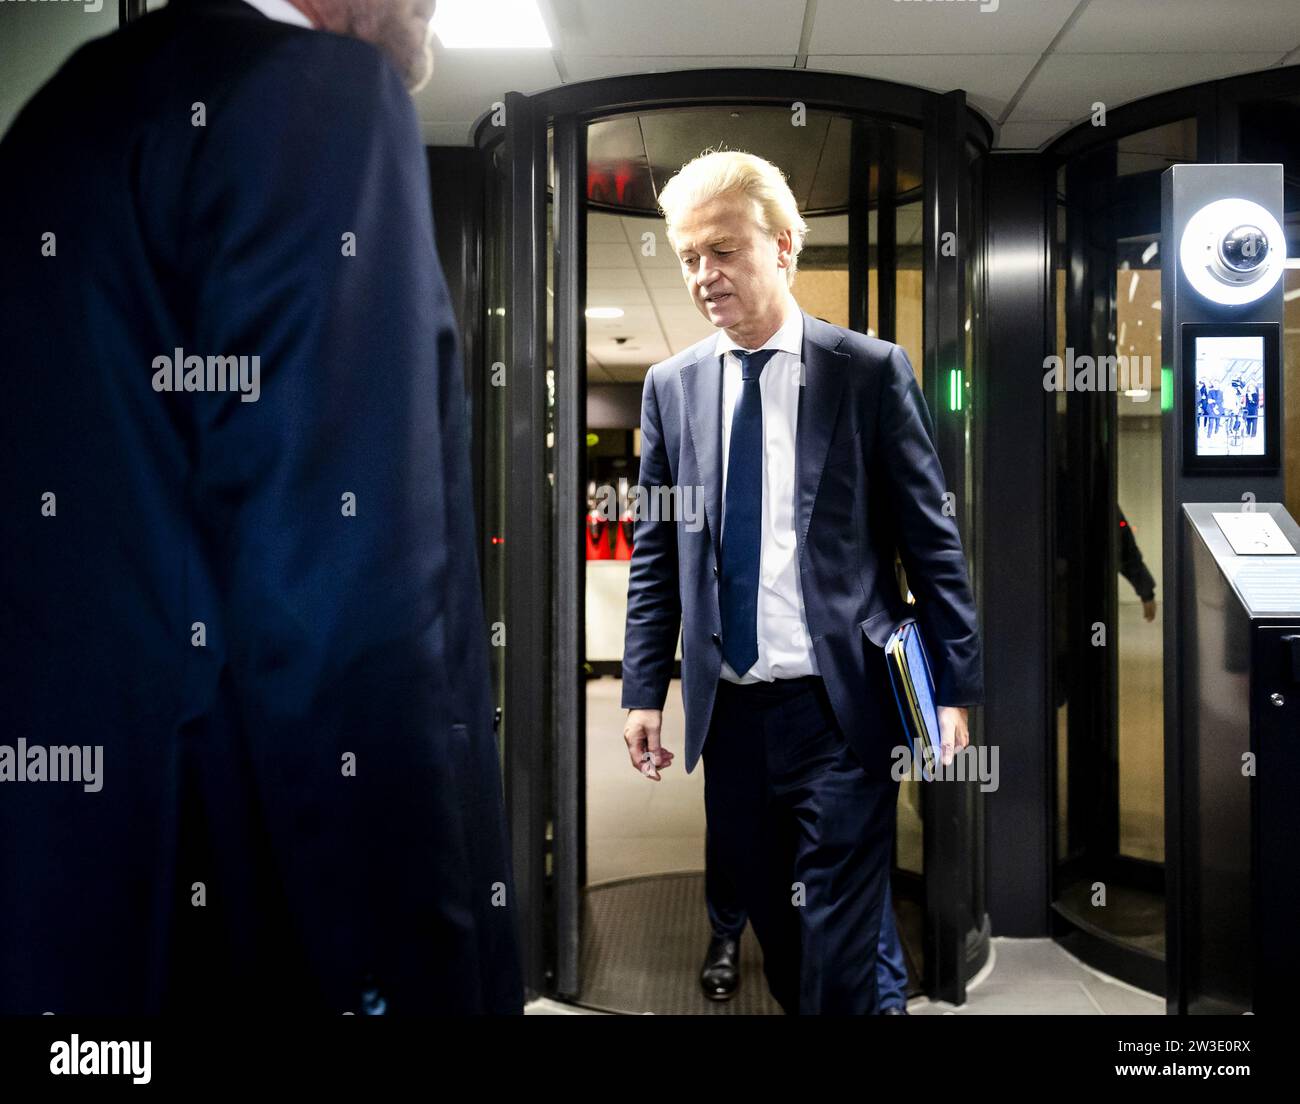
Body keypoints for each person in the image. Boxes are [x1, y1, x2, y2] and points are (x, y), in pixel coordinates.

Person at [0, 0, 522, 1014]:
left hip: (69, 919)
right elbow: (341, 614)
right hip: (260, 923)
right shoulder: (315, 93)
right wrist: (415, 978)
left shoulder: (58, 118)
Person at [620, 150, 983, 1015]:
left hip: (839, 709)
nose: (705, 276)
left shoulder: (867, 372)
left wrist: (954, 687)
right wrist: (643, 688)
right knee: (780, 941)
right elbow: (655, 552)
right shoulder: (671, 388)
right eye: (688, 258)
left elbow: (933, 546)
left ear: (783, 247)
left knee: (837, 941)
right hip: (734, 716)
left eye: (723, 250)